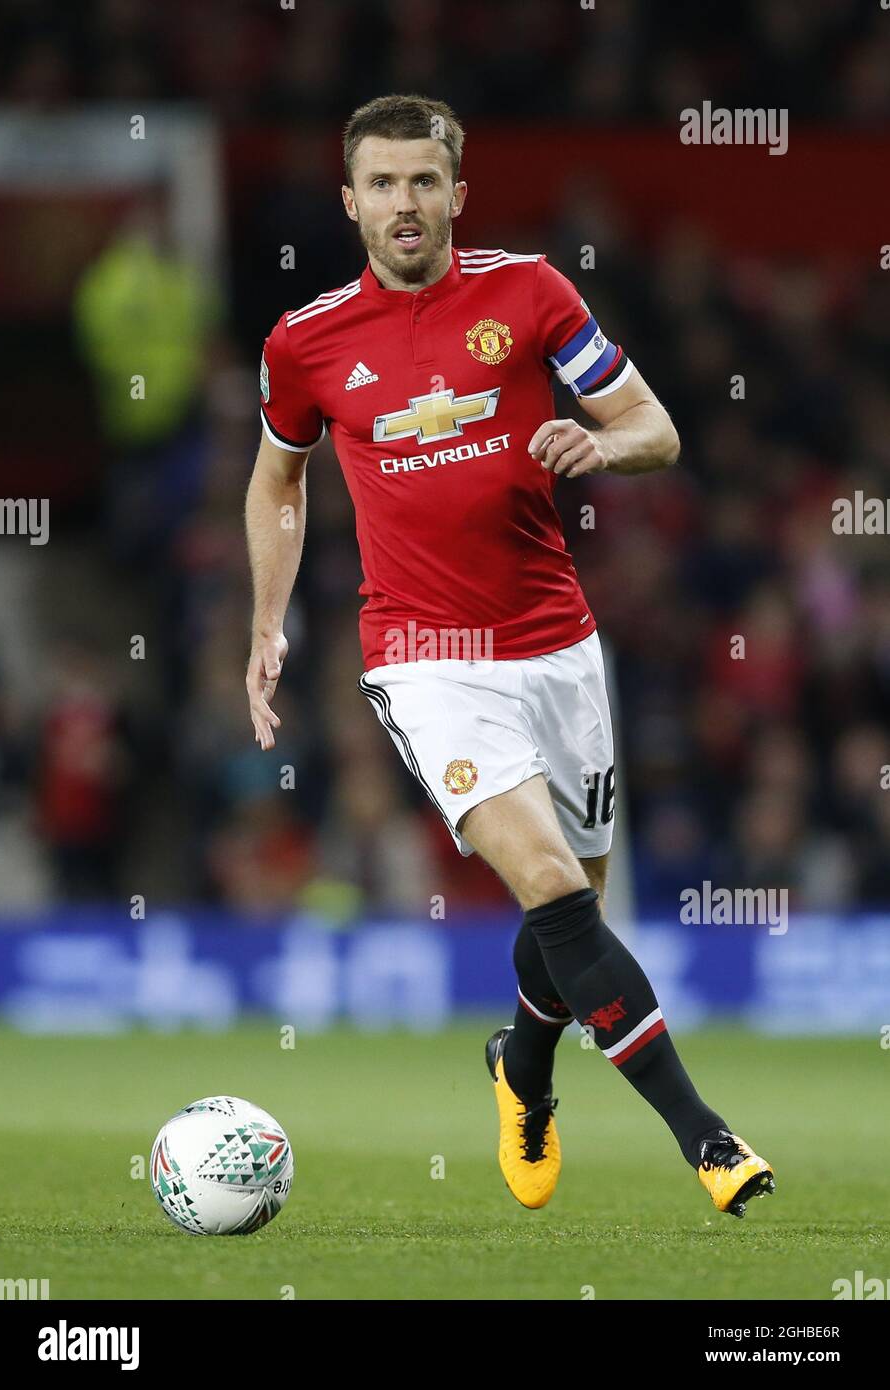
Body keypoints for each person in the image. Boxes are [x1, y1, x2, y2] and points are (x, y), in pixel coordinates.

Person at [244, 93, 774, 1218]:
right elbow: (277, 481)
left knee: (566, 910)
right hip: (423, 654)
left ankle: (519, 1068)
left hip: (558, 647)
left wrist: (601, 441)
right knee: (544, 885)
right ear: (348, 202)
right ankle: (707, 1138)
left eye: (422, 181)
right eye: (381, 184)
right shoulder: (305, 343)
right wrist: (263, 622)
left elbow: (657, 427)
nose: (403, 203)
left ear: (456, 195)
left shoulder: (528, 292)